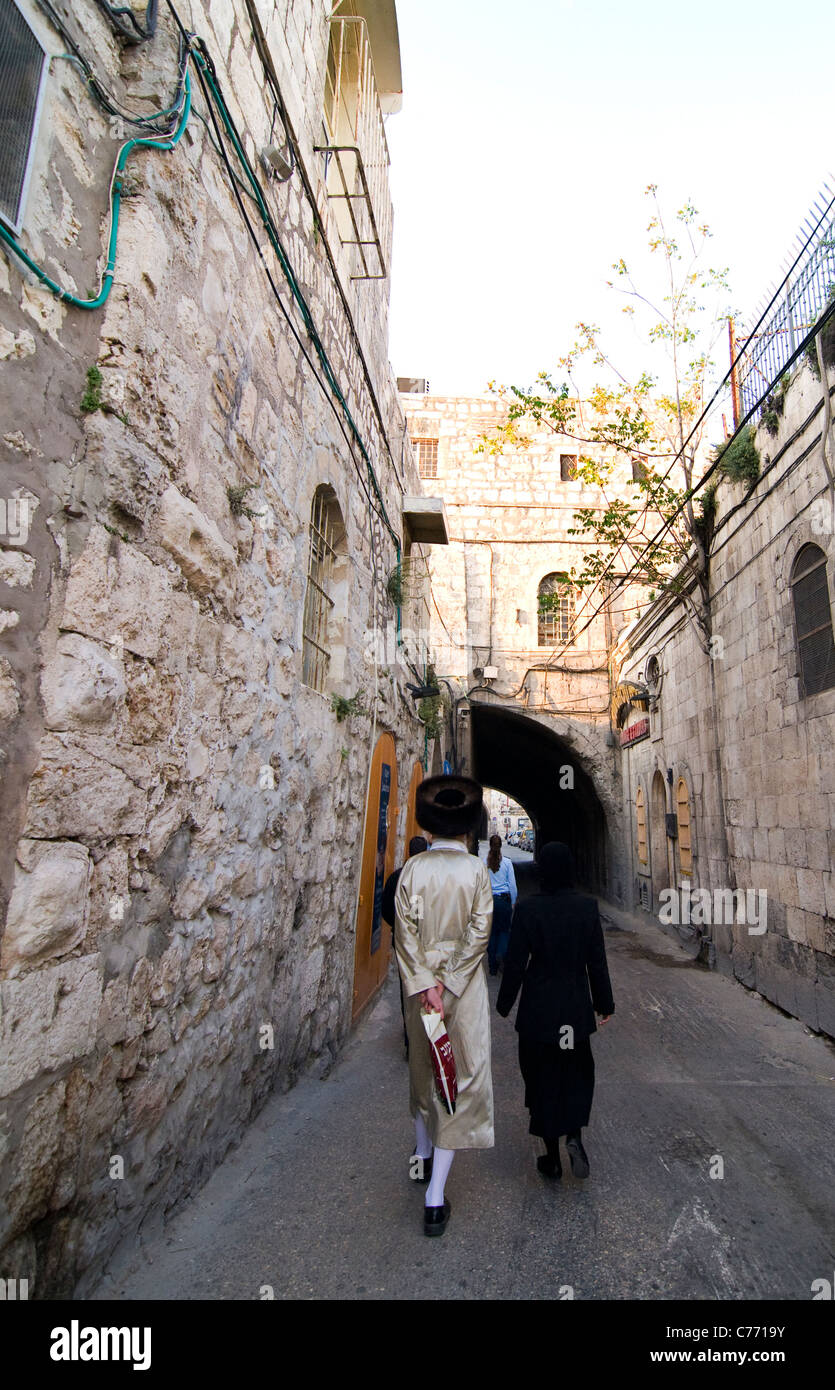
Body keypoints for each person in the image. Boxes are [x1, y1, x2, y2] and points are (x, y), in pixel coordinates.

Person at [394, 776, 494, 1237]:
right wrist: (450, 982)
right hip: (463, 987)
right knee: (459, 1076)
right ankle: (436, 1196)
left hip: (421, 990)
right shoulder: (476, 871)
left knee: (423, 1067)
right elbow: (479, 933)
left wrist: (423, 983)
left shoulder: (413, 870)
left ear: (431, 826)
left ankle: (421, 1157)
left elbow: (404, 933)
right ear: (468, 828)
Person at [496, 841, 614, 1181]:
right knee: (575, 1073)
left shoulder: (529, 911)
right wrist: (604, 1003)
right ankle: (574, 1134)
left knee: (541, 1079)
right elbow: (597, 963)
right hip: (575, 1009)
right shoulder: (587, 908)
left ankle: (551, 1157)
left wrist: (504, 1004)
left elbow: (516, 963)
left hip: (539, 1013)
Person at [381, 835, 429, 1054]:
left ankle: (411, 1039)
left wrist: (399, 928)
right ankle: (429, 1037)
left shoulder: (396, 878)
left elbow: (386, 911)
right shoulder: (432, 879)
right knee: (430, 987)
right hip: (428, 943)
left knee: (407, 990)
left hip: (402, 942)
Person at [484, 833, 517, 976]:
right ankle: (501, 953)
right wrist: (513, 902)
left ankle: (492, 966)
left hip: (490, 901)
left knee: (492, 933)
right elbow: (512, 885)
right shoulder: (507, 863)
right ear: (501, 846)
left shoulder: (484, 862)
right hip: (504, 901)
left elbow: (482, 885)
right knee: (504, 931)